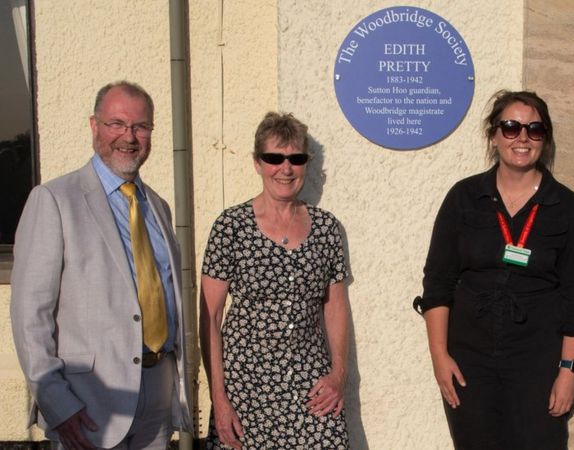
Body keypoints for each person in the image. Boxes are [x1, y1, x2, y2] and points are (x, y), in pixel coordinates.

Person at [10, 81, 194, 449]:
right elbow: (30, 315)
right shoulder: (54, 201)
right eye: (117, 124)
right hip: (88, 402)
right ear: (94, 126)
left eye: (140, 126)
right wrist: (57, 402)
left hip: (156, 398)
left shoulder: (157, 207)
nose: (129, 137)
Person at [415, 90, 574, 449]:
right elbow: (438, 282)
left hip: (538, 364)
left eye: (534, 129)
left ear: (546, 138)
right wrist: (439, 357)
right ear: (494, 135)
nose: (522, 138)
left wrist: (568, 372)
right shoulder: (463, 199)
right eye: (511, 128)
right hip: (470, 363)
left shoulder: (567, 208)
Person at [200, 112, 351, 449]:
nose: (286, 168)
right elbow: (209, 316)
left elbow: (336, 306)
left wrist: (339, 375)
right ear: (257, 162)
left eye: (296, 159)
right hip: (245, 389)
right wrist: (220, 398)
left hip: (311, 386)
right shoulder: (231, 226)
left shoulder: (327, 228)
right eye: (274, 158)